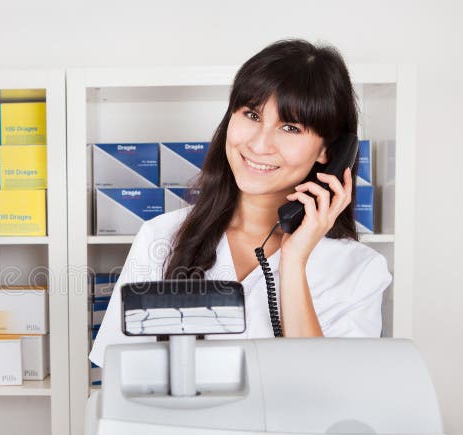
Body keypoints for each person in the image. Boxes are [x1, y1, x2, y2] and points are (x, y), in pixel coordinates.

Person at [89, 39, 392, 367]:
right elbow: (122, 382)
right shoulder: (160, 237)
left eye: (290, 127)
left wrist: (294, 263)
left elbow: (333, 394)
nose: (260, 144)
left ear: (328, 153)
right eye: (251, 114)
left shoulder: (360, 271)